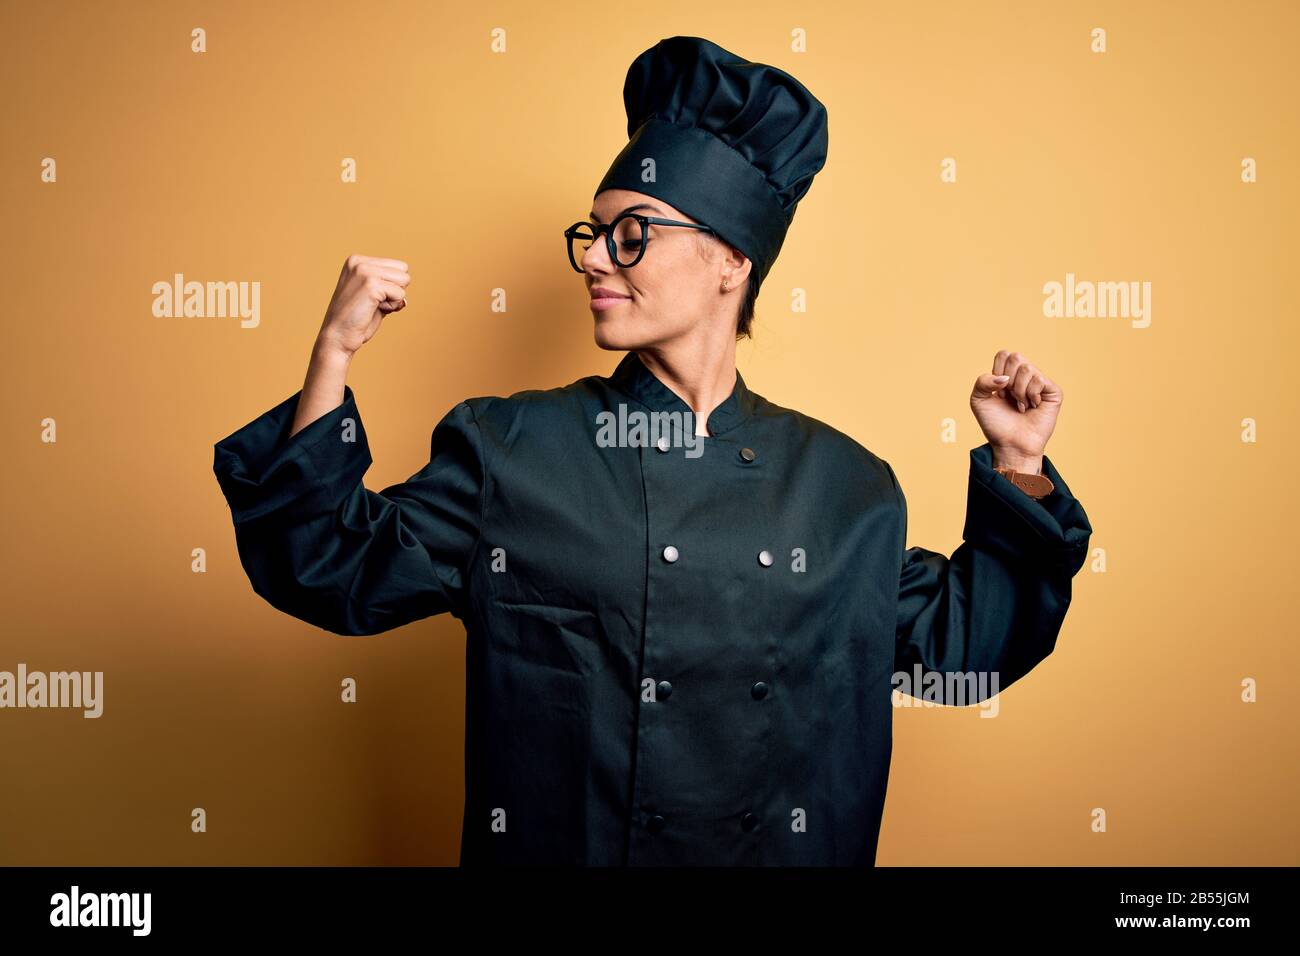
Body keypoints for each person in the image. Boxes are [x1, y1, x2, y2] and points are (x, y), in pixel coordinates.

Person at [212, 35, 1092, 866]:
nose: (596, 258)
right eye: (591, 235)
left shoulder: (845, 486)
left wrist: (1019, 464)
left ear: (730, 261)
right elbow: (325, 567)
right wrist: (332, 354)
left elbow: (959, 660)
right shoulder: (510, 448)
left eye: (631, 232)